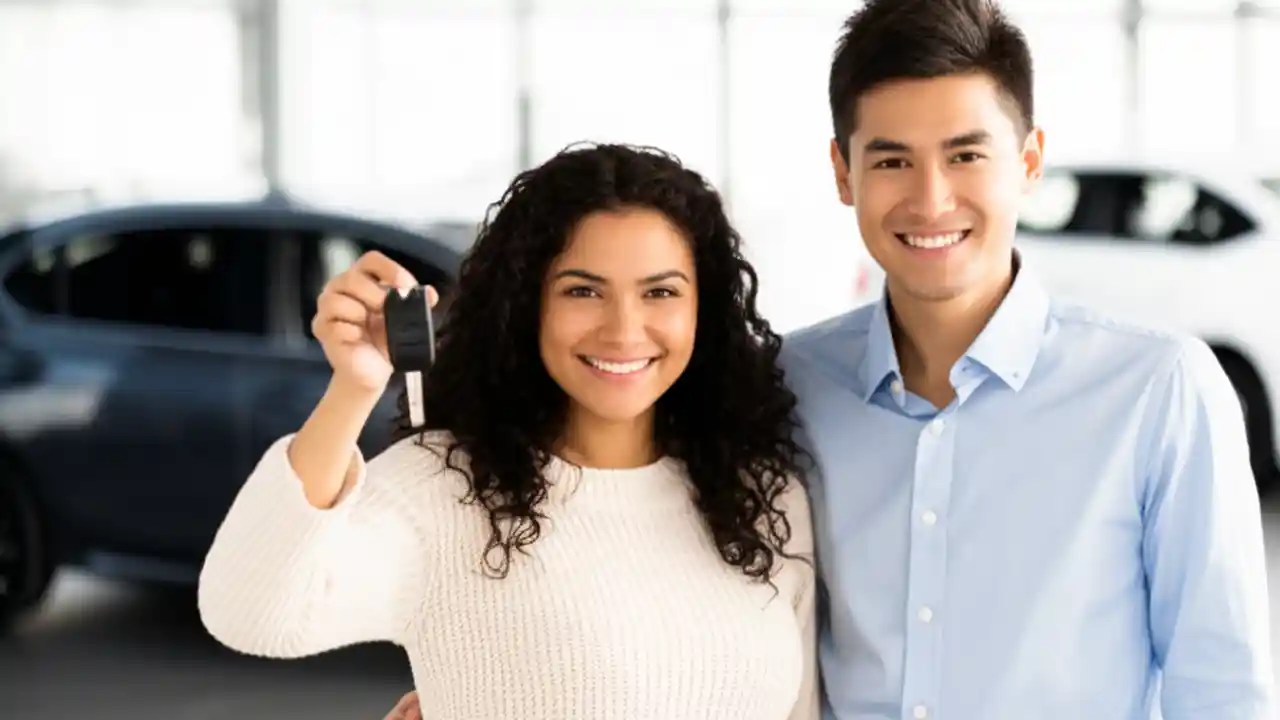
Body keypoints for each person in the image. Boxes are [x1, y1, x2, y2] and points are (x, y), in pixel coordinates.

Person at [389, 1, 1275, 717]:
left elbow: (1223, 691)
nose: (931, 198)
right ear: (843, 173)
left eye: (967, 154)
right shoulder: (783, 386)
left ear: (1029, 161)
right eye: (891, 158)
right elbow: (640, 537)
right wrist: (491, 680)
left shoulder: (1158, 390)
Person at [197, 143, 819, 719]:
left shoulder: (761, 496)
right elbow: (251, 612)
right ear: (529, 306)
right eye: (583, 290)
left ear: (702, 311)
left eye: (660, 291)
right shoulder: (445, 487)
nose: (625, 330)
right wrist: (354, 388)